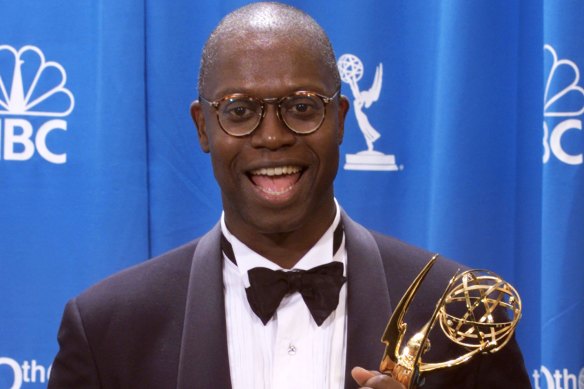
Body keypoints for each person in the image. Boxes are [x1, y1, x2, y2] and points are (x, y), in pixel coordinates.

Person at [48, 3, 531, 388]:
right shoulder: (108, 329)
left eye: (302, 107)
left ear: (341, 118)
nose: (273, 136)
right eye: (239, 111)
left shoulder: (458, 312)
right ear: (203, 126)